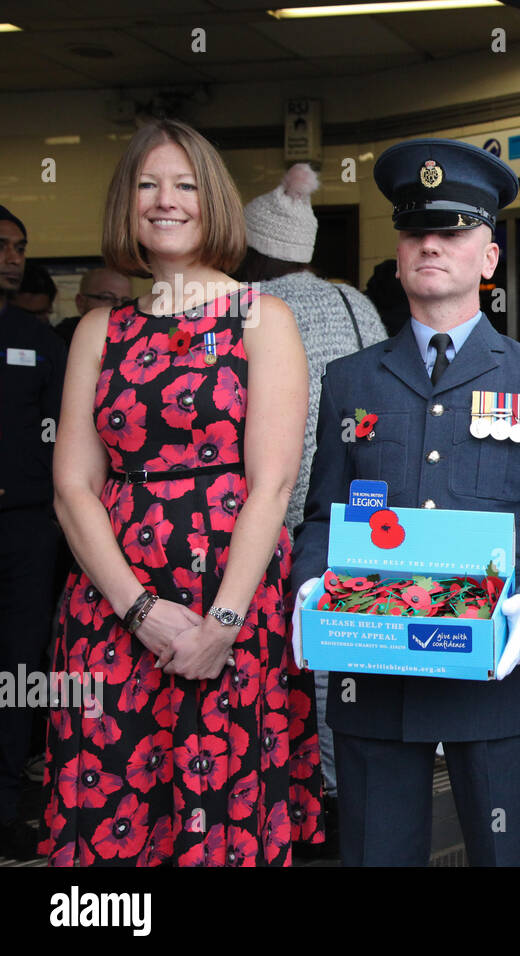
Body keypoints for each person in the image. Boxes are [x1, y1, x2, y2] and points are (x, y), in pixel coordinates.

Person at [291, 138, 520, 867]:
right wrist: (308, 584)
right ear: (398, 254)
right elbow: (323, 517)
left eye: (454, 230)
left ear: (488, 258)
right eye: (416, 231)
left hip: (491, 679)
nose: (432, 244)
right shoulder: (350, 380)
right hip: (376, 678)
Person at [42, 119, 322, 866]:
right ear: (125, 204)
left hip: (228, 608)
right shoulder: (98, 330)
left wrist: (221, 622)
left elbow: (273, 484)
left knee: (223, 815)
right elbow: (73, 487)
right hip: (112, 608)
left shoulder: (263, 318)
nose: (165, 201)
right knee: (116, 814)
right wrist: (138, 610)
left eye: (186, 185)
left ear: (215, 202)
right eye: (146, 184)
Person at [237, 162, 388, 856]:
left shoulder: (244, 307)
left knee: (280, 655)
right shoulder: (357, 302)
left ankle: (295, 796)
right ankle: (346, 791)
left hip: (273, 514)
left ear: (254, 246)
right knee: (341, 656)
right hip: (356, 505)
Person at [0, 204, 66, 860]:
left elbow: (66, 438)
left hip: (24, 530)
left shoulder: (37, 337)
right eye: (2, 245)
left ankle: (5, 804)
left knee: (18, 668)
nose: (12, 256)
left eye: (19, 245)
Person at [55, 267, 133, 348]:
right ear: (81, 302)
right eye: (107, 298)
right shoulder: (59, 343)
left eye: (125, 301)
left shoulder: (136, 340)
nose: (118, 306)